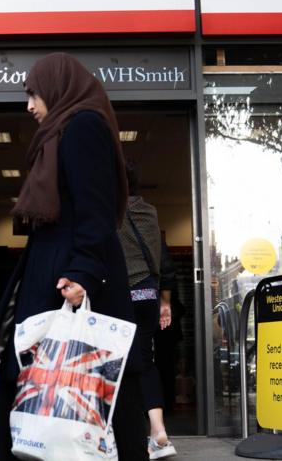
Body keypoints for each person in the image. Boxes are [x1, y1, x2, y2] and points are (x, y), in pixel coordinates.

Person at [0, 52, 146, 461]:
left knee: (80, 388)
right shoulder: (62, 132)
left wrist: (82, 270)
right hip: (54, 273)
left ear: (56, 88)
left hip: (70, 280)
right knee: (42, 384)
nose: (29, 105)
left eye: (34, 94)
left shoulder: (83, 126)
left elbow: (96, 209)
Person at [117, 160, 178, 459]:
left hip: (121, 297)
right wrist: (165, 302)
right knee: (146, 361)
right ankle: (158, 430)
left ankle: (117, 436)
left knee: (117, 365)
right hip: (148, 296)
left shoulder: (109, 214)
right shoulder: (149, 212)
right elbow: (164, 262)